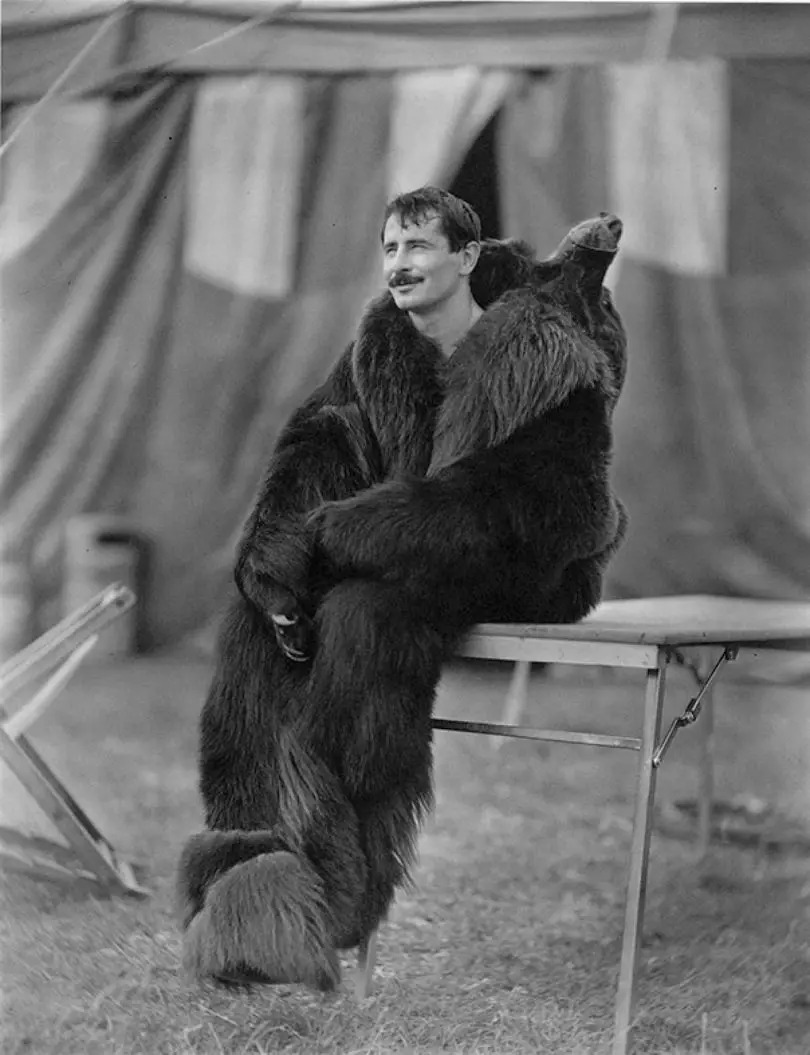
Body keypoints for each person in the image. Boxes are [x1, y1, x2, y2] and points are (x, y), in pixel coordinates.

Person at [177, 187, 627, 990]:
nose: (399, 265)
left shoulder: (547, 347)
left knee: (362, 618)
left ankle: (339, 886)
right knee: (257, 623)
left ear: (467, 256)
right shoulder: (380, 348)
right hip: (408, 544)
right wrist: (277, 563)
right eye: (389, 249)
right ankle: (248, 882)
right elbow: (318, 443)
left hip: (527, 562)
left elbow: (558, 506)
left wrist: (361, 531)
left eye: (417, 247)